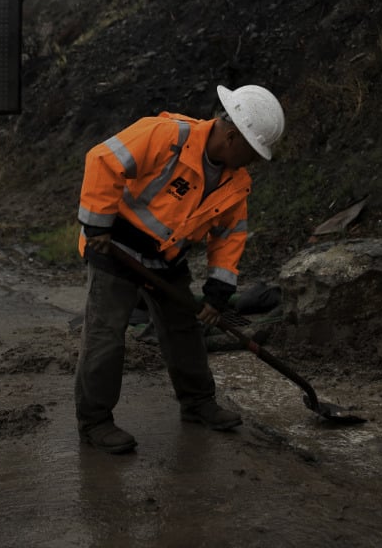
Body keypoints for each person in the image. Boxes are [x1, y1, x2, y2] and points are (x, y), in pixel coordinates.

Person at [74, 84, 286, 454]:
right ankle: (95, 422)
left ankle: (198, 404)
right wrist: (97, 225)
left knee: (184, 331)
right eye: (253, 153)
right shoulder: (168, 135)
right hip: (116, 248)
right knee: (106, 336)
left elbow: (229, 236)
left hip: (166, 260)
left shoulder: (237, 183)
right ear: (233, 136)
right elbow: (102, 160)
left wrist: (218, 292)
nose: (253, 162)